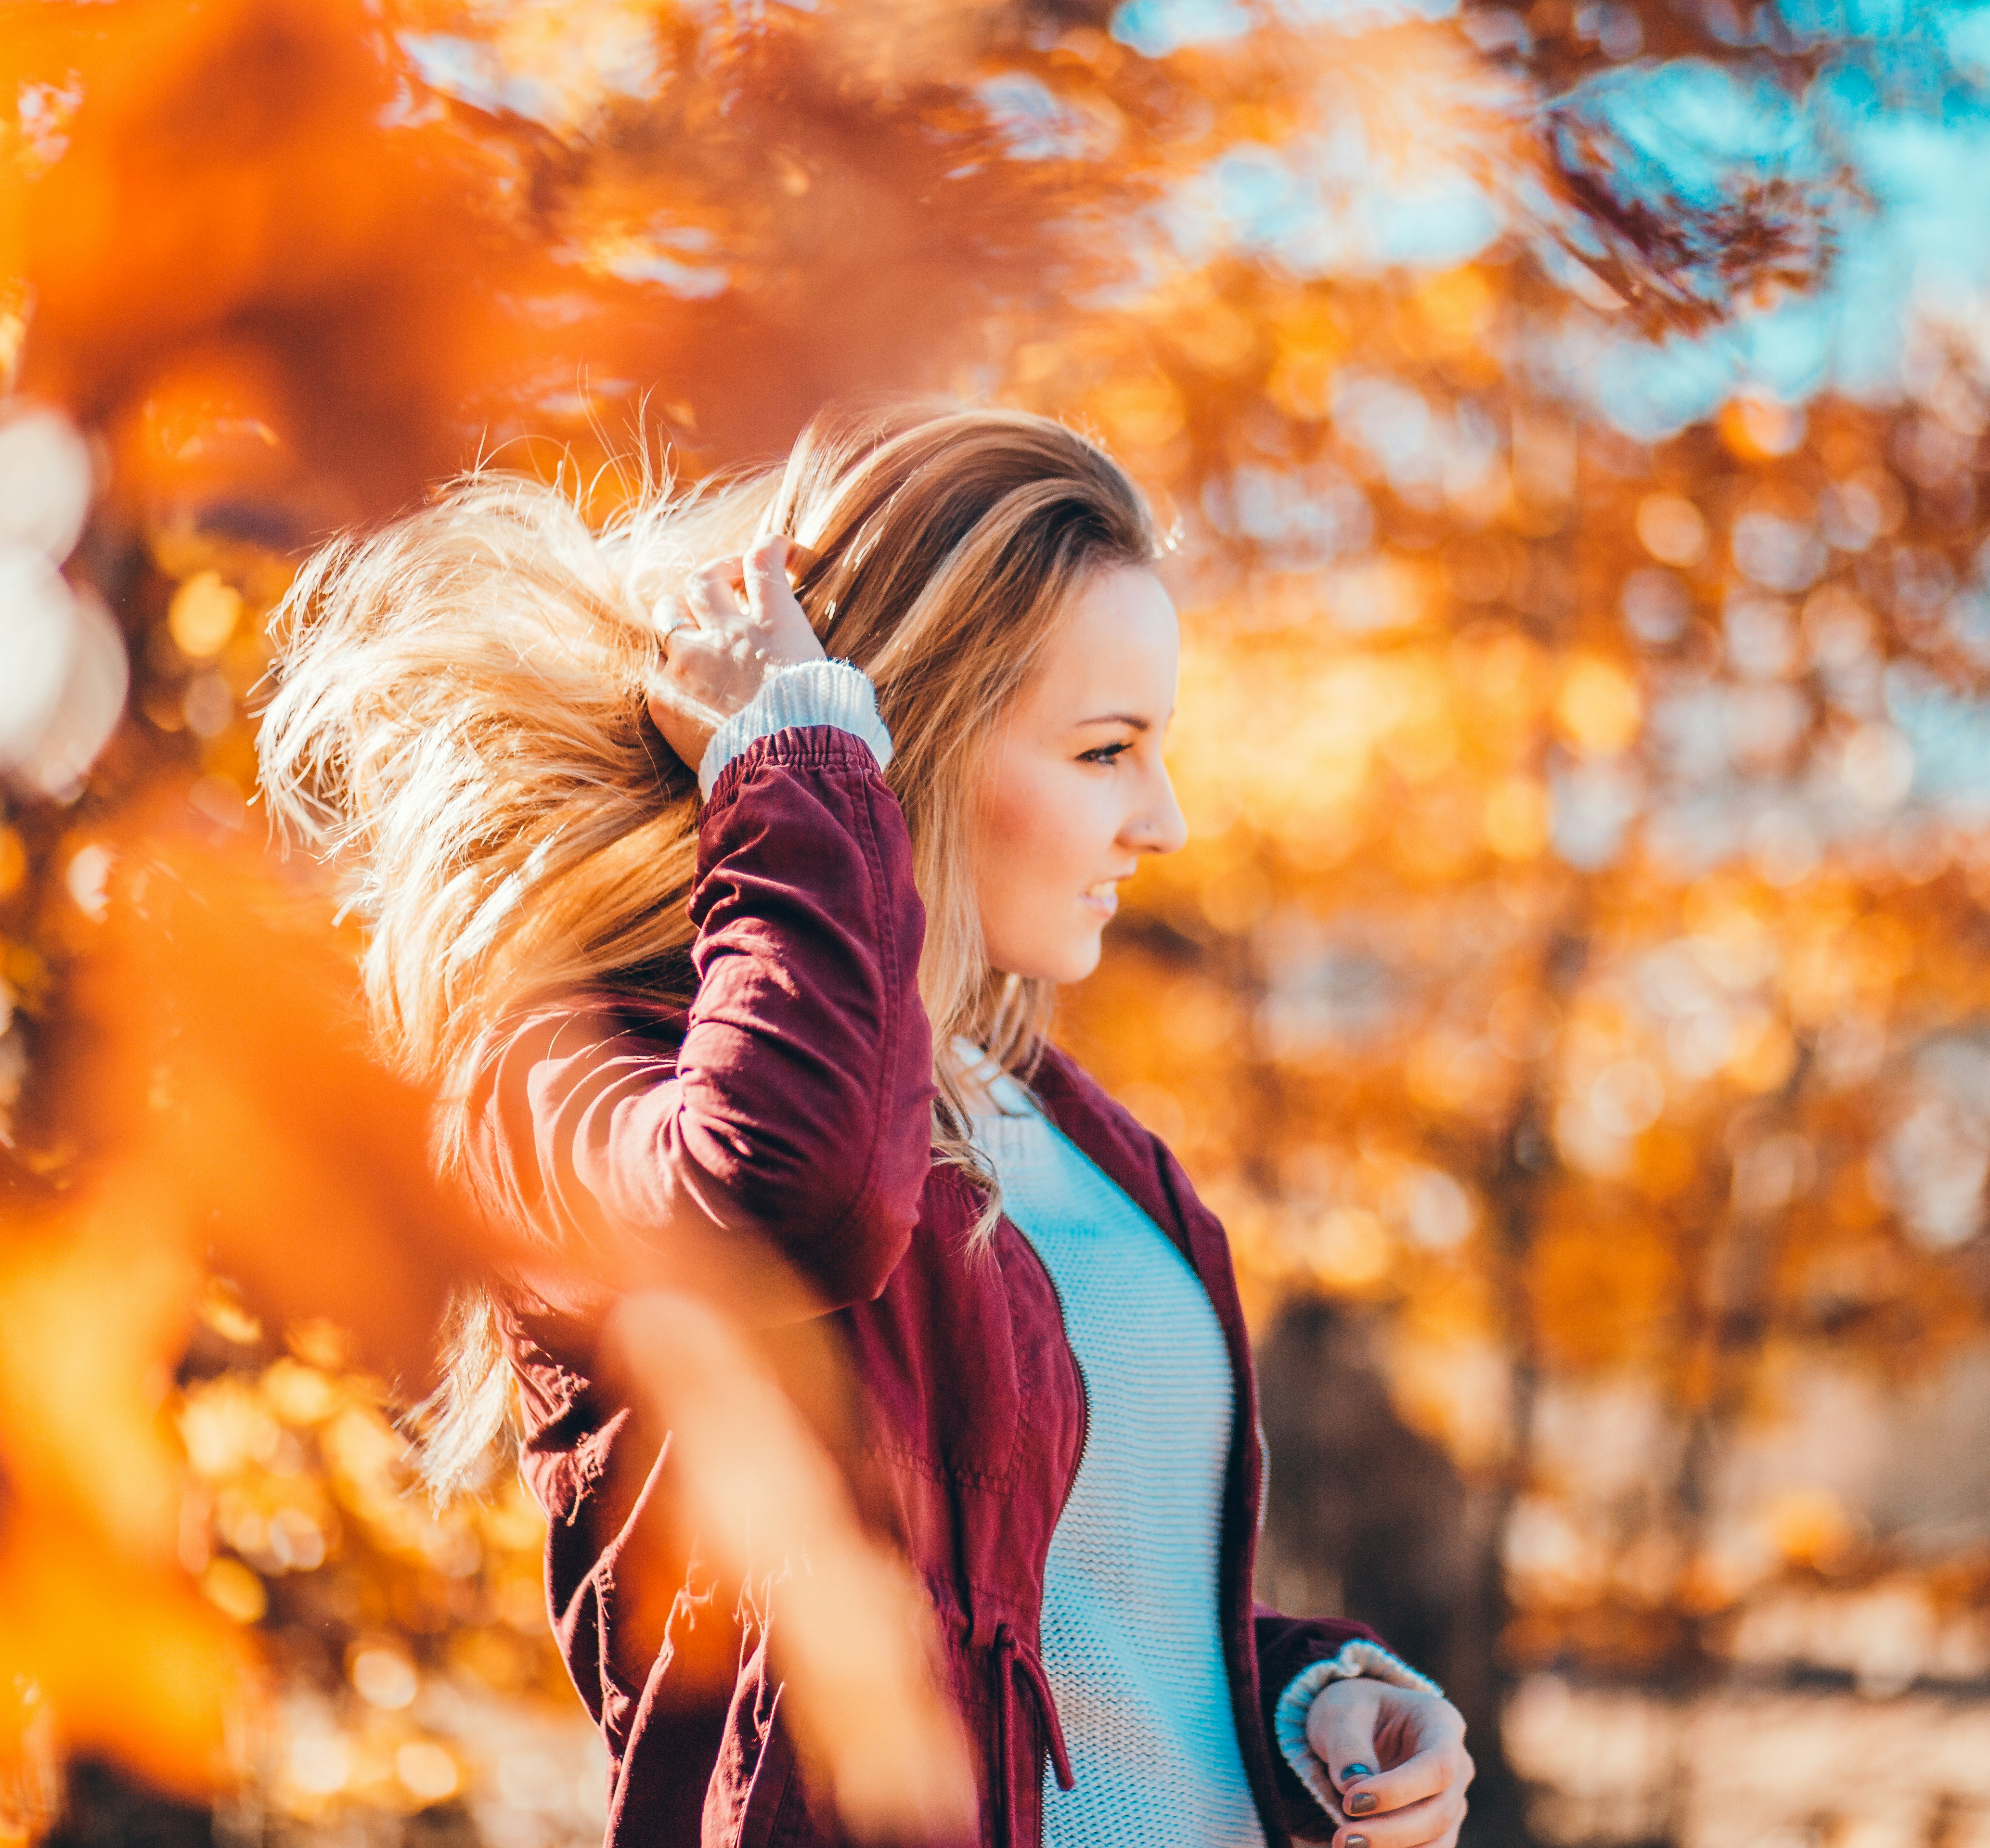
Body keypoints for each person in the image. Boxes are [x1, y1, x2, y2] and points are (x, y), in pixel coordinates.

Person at [256, 400, 1475, 1848]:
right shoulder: (583, 1071)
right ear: (912, 738)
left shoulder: (1082, 1139)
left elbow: (1060, 1621)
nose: (1166, 821)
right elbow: (793, 1200)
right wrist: (794, 762)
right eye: (1105, 752)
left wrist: (1295, 1709)